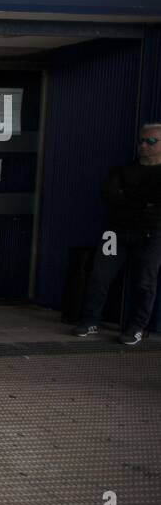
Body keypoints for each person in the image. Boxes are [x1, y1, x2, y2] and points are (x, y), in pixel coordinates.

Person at [73, 121, 161, 345]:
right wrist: (143, 202)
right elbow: (109, 194)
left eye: (151, 141)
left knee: (145, 281)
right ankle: (90, 320)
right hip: (115, 232)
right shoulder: (123, 170)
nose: (144, 145)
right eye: (141, 140)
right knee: (100, 276)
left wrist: (132, 198)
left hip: (151, 233)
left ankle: (136, 327)